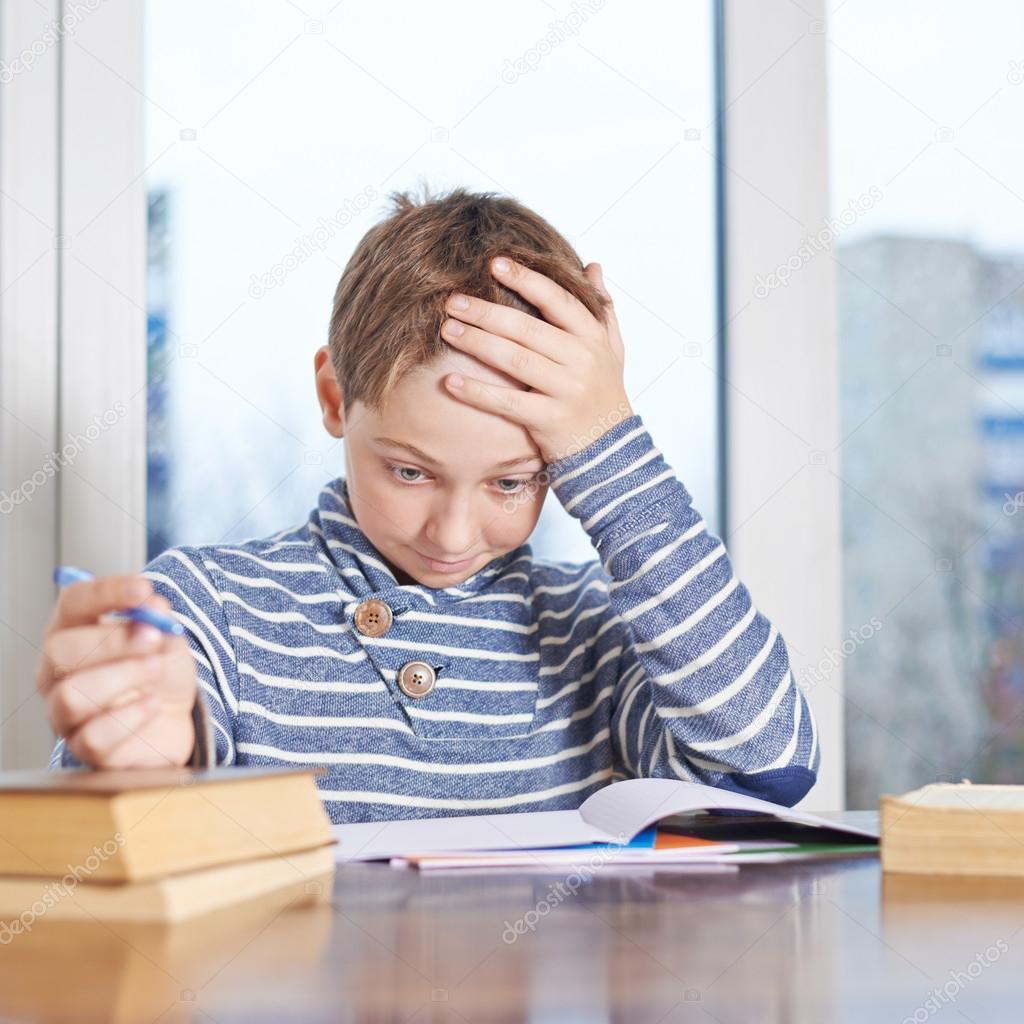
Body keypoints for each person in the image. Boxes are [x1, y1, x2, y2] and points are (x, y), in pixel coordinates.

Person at [38, 189, 819, 823]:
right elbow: (117, 820)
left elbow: (768, 763)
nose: (451, 534)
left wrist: (613, 448)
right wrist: (146, 751)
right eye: (410, 472)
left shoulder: (596, 639)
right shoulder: (214, 615)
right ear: (334, 397)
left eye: (512, 482)